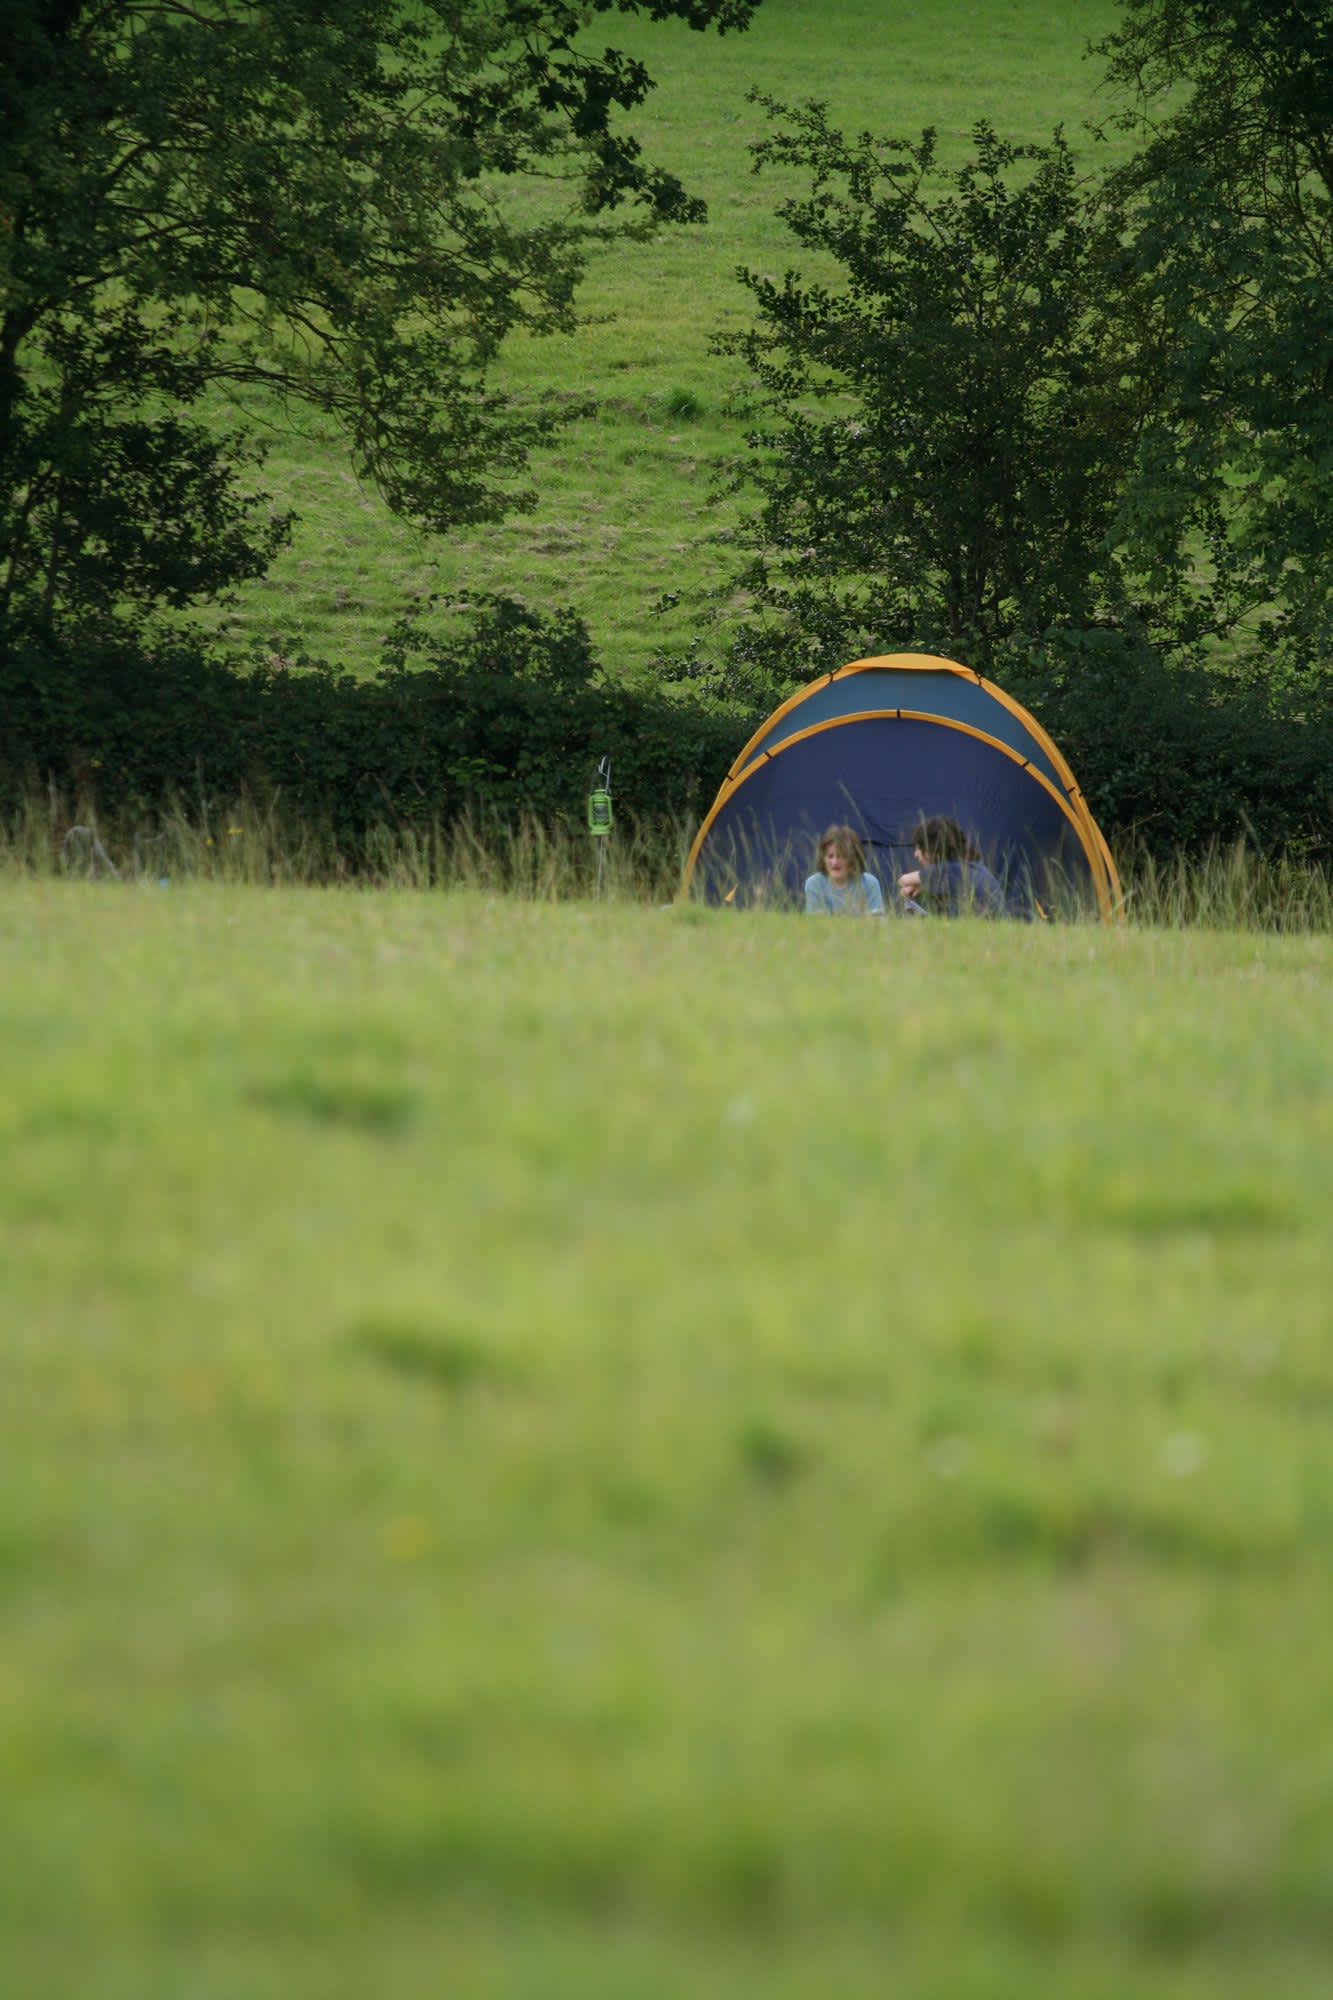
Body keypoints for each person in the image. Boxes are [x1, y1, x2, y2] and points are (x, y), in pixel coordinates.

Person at [897, 815, 1013, 917]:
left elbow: (903, 881)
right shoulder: (971, 868)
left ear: (931, 849)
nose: (915, 854)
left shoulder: (952, 871)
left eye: (919, 848)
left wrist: (920, 883)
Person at [805, 824, 885, 915]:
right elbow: (815, 923)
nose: (834, 862)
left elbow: (878, 922)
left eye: (841, 856)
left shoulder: (870, 883)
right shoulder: (814, 883)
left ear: (854, 858)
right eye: (830, 856)